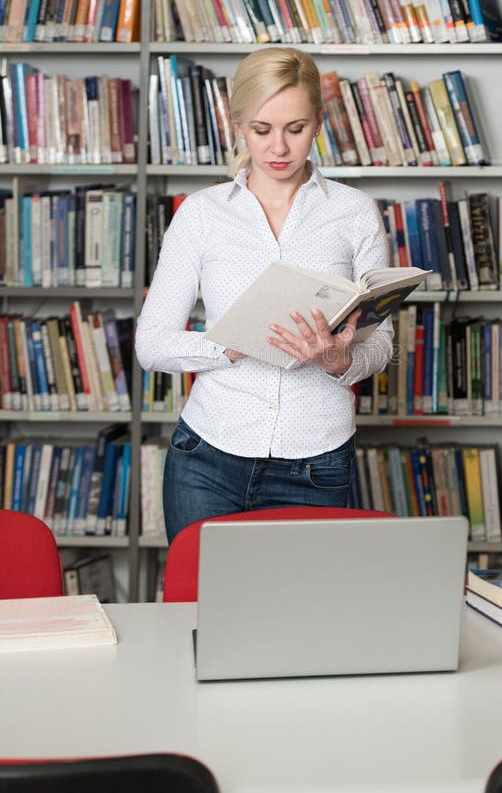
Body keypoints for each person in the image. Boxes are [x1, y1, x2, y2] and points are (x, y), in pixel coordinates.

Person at [135, 47, 393, 543]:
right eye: (261, 130)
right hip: (206, 459)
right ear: (237, 125)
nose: (278, 147)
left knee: (301, 617)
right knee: (205, 612)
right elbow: (151, 343)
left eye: (295, 129)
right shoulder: (202, 214)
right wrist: (231, 343)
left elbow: (380, 344)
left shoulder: (354, 212)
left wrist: (339, 359)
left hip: (317, 462)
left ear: (318, 122)